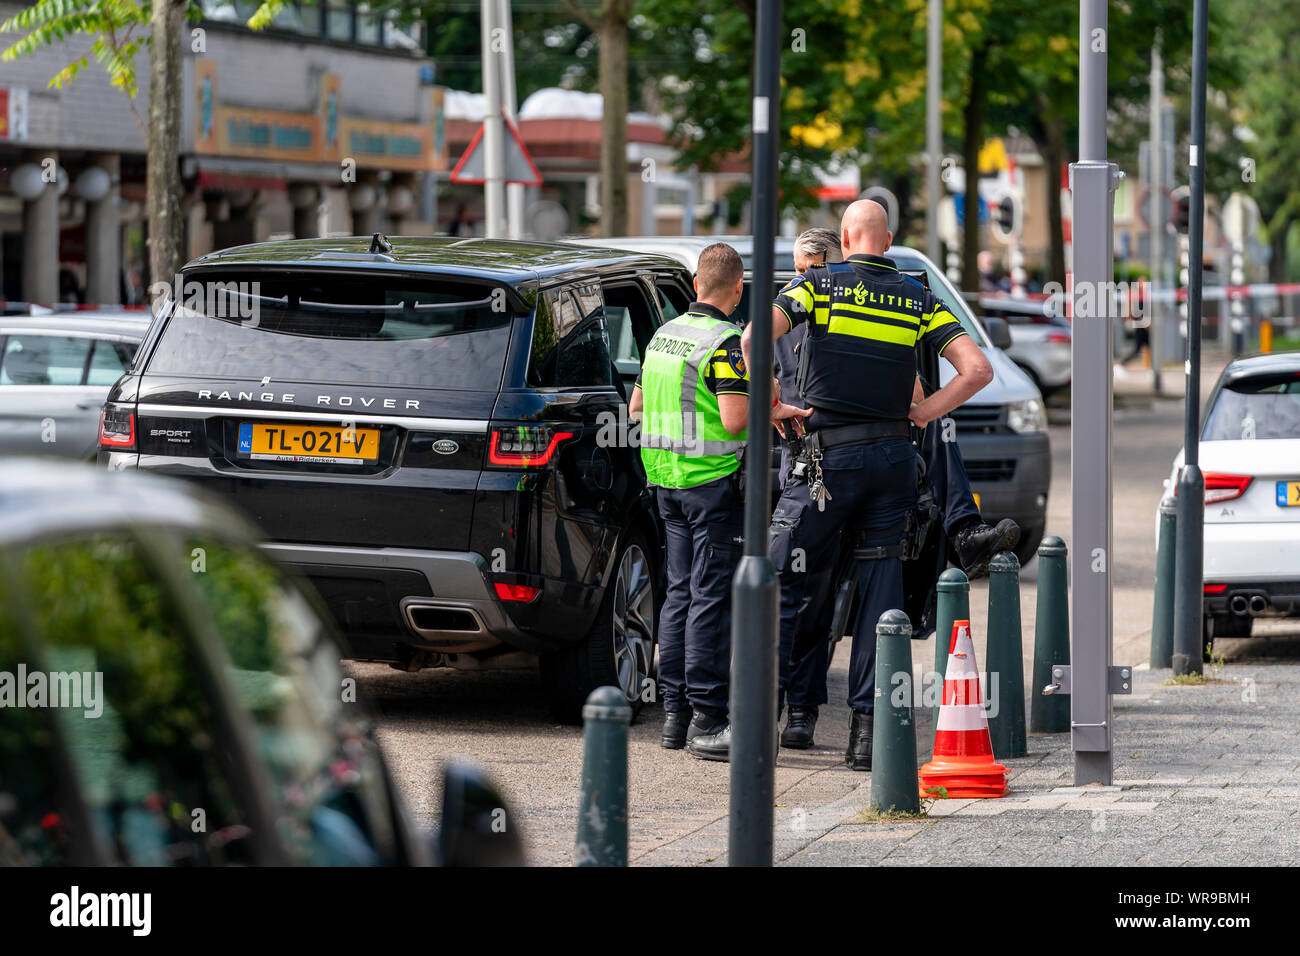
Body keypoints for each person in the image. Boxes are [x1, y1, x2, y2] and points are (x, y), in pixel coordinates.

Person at [744, 200, 993, 770]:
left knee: (784, 583)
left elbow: (755, 341)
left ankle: (764, 720)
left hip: (825, 463)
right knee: (880, 603)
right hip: (892, 461)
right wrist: (926, 412)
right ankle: (866, 737)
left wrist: (774, 404)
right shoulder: (917, 298)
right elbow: (978, 369)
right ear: (886, 240)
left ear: (848, 237)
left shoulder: (819, 287)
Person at [629, 242, 809, 761]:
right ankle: (710, 720)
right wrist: (772, 410)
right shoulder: (726, 341)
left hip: (666, 481)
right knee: (708, 597)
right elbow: (733, 421)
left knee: (680, 593)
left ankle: (674, 715)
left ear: (694, 286)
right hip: (710, 483)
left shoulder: (665, 335)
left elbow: (637, 404)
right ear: (737, 290)